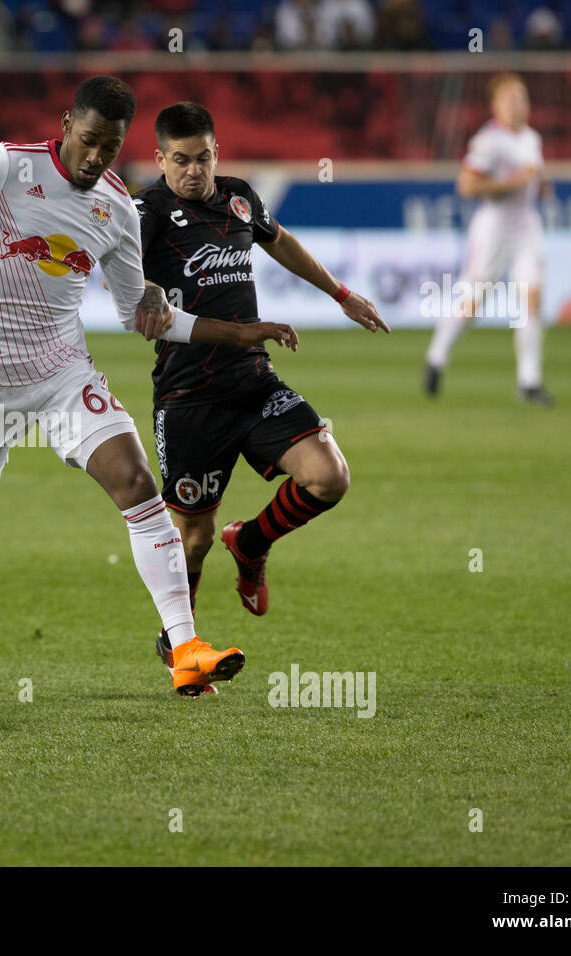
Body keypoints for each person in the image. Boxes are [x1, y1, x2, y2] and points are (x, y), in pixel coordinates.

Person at [0, 76, 270, 697]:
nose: (97, 157)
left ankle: (185, 648)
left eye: (112, 146)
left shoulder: (118, 209)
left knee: (137, 483)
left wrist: (235, 333)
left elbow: (137, 312)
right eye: (90, 140)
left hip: (63, 373)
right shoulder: (9, 167)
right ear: (68, 123)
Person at [133, 102, 389, 674]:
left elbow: (280, 240)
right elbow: (126, 275)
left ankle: (250, 542)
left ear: (216, 153)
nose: (194, 171)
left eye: (203, 158)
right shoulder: (146, 211)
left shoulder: (239, 197)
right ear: (160, 159)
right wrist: (146, 292)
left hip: (251, 381)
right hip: (188, 397)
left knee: (330, 477)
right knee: (192, 539)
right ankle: (184, 649)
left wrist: (340, 294)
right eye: (180, 161)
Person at [424, 73, 553, 405]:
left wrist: (539, 184)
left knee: (532, 301)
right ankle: (437, 357)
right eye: (510, 98)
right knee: (473, 302)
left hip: (527, 227)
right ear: (496, 105)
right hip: (494, 229)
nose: (517, 104)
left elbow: (535, 178)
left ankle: (530, 381)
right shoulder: (488, 141)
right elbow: (467, 187)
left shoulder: (531, 138)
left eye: (521, 97)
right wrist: (513, 181)